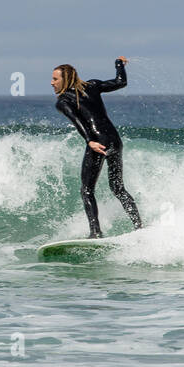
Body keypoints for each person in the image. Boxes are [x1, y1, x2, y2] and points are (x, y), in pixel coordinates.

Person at [53, 57, 143, 238]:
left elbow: (79, 123)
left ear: (66, 79)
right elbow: (121, 82)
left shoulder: (63, 101)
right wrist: (119, 64)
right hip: (115, 140)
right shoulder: (92, 85)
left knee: (86, 190)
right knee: (118, 188)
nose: (52, 82)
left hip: (97, 142)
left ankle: (95, 232)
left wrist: (89, 141)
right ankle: (139, 226)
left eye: (56, 79)